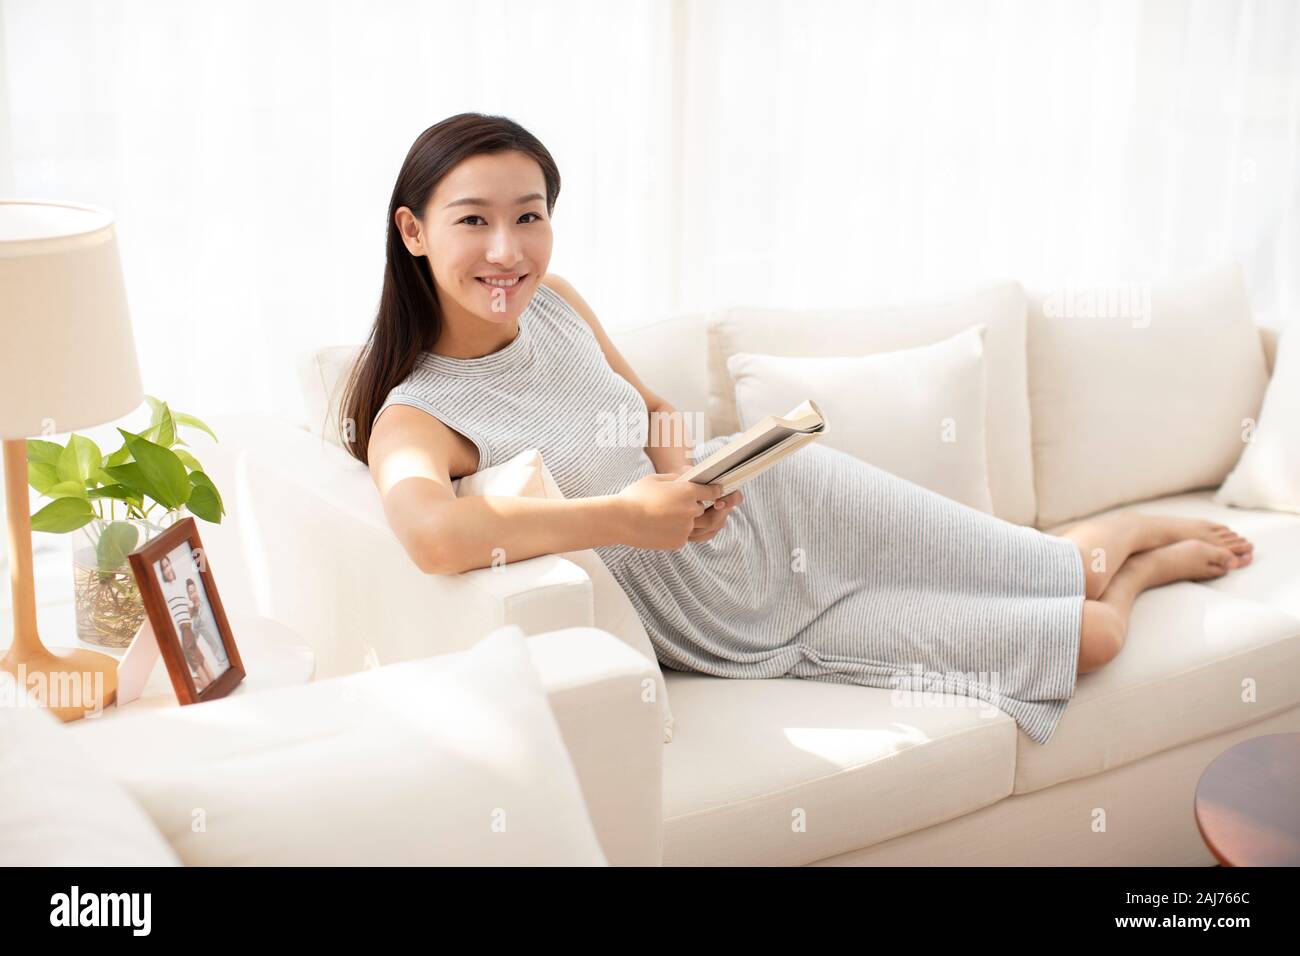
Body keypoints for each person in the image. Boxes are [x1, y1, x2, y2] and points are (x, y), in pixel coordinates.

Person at [339, 113, 1255, 746]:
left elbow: (654, 409)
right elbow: (433, 534)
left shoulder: (556, 305)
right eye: (474, 222)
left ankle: (1120, 538)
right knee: (1090, 637)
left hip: (777, 500)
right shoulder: (418, 416)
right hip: (740, 616)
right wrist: (628, 515)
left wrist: (694, 471)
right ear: (414, 232)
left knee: (1052, 567)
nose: (508, 251)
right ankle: (1147, 565)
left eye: (529, 217)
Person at [158, 554, 214, 691]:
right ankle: (190, 680)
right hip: (184, 632)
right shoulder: (165, 589)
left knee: (209, 680)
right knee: (207, 679)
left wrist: (195, 607)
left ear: (171, 565)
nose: (167, 569)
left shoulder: (181, 586)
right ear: (162, 572)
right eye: (164, 567)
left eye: (168, 565)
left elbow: (187, 613)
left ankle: (188, 680)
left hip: (189, 633)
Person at [186, 578, 229, 676]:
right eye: (191, 593)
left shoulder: (208, 602)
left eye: (194, 591)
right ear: (189, 596)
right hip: (221, 659)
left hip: (229, 648)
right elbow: (192, 641)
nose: (194, 594)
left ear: (197, 590)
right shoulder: (195, 620)